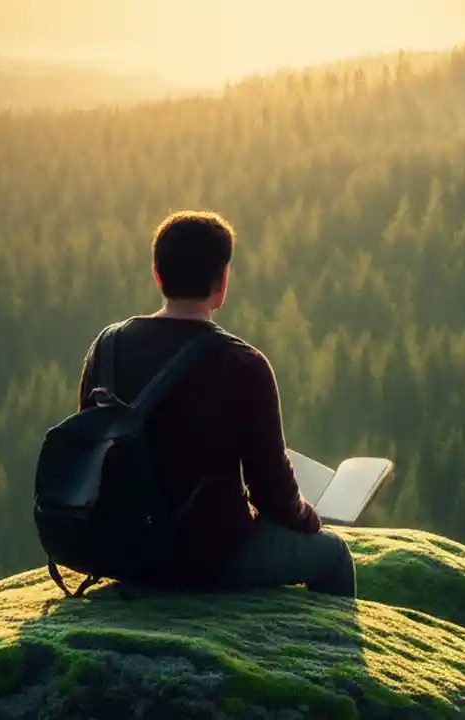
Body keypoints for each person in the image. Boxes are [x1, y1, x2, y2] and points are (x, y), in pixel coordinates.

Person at [75, 210, 356, 598]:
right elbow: (272, 491)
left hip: (125, 550)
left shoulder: (106, 348)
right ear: (222, 282)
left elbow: (91, 453)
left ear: (157, 274)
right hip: (210, 556)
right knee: (334, 554)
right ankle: (327, 654)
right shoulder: (244, 365)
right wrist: (310, 520)